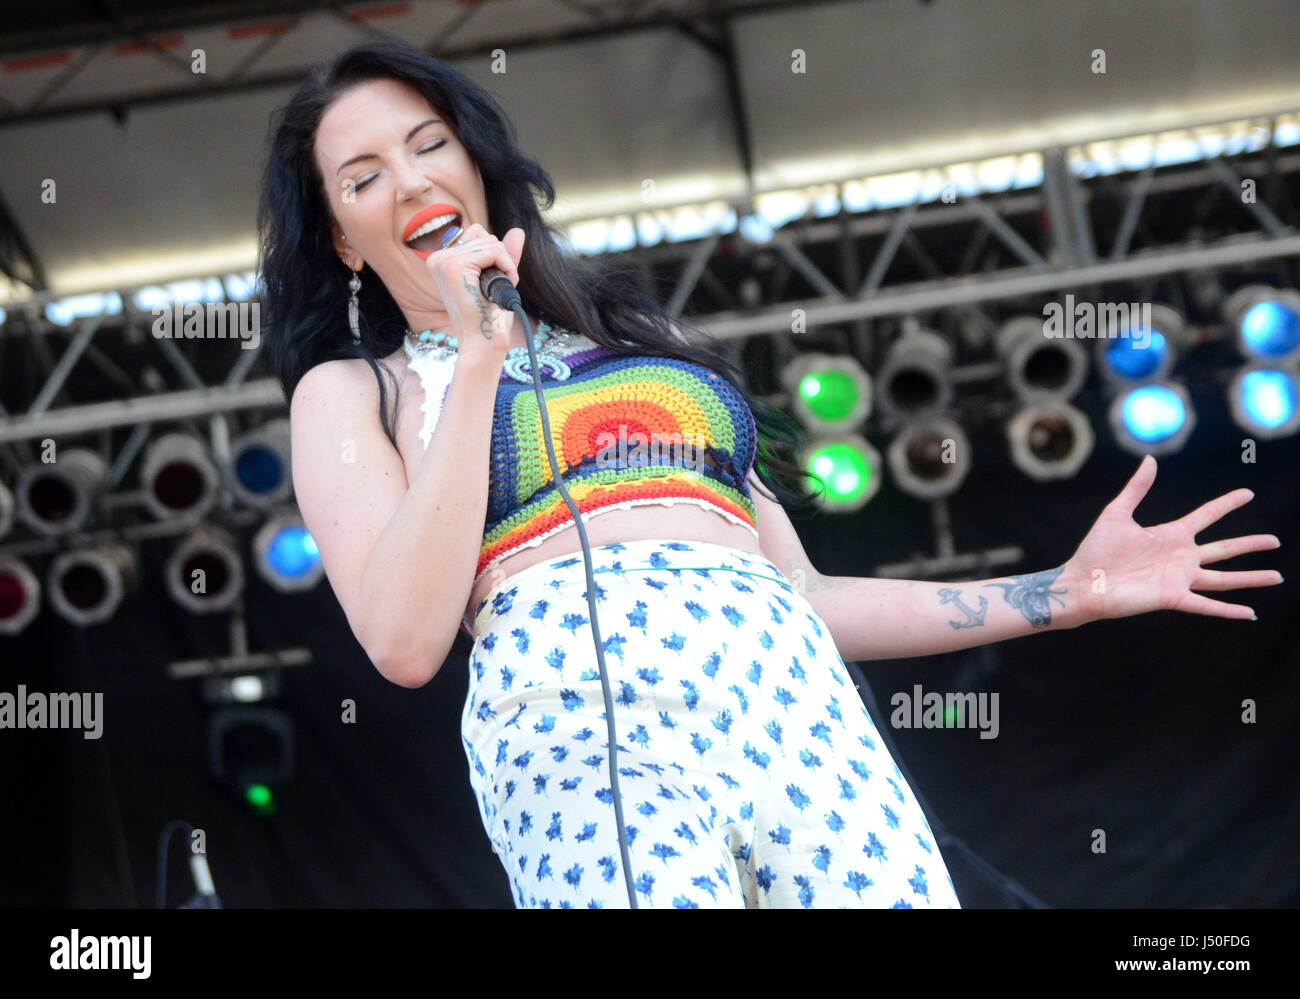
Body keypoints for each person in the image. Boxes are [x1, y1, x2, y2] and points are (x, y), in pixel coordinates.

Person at [258, 40, 1283, 909]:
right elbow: (401, 639)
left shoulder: (638, 342)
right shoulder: (358, 395)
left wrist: (1066, 593)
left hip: (790, 702)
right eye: (364, 178)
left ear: (476, 163)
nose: (411, 180)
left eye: (428, 144)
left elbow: (803, 594)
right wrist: (476, 357)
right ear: (344, 241)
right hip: (577, 715)